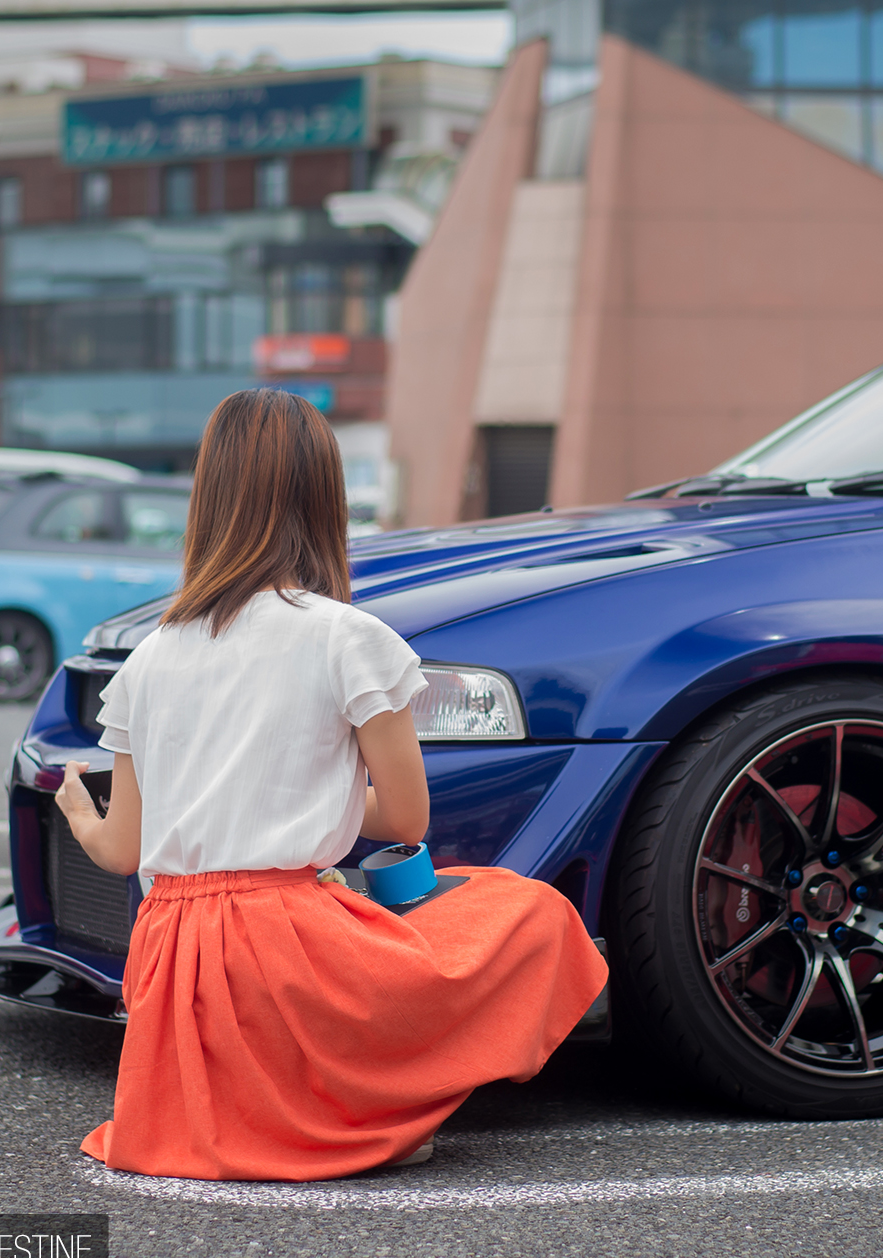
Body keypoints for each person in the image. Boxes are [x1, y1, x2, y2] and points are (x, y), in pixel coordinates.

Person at [57, 388, 607, 1182]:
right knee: (522, 911)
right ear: (324, 500)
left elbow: (121, 851)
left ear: (207, 500)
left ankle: (277, 1109)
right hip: (288, 950)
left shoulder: (150, 657)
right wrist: (319, 809)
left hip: (173, 965)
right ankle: (371, 1110)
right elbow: (408, 819)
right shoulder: (348, 638)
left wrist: (79, 808)